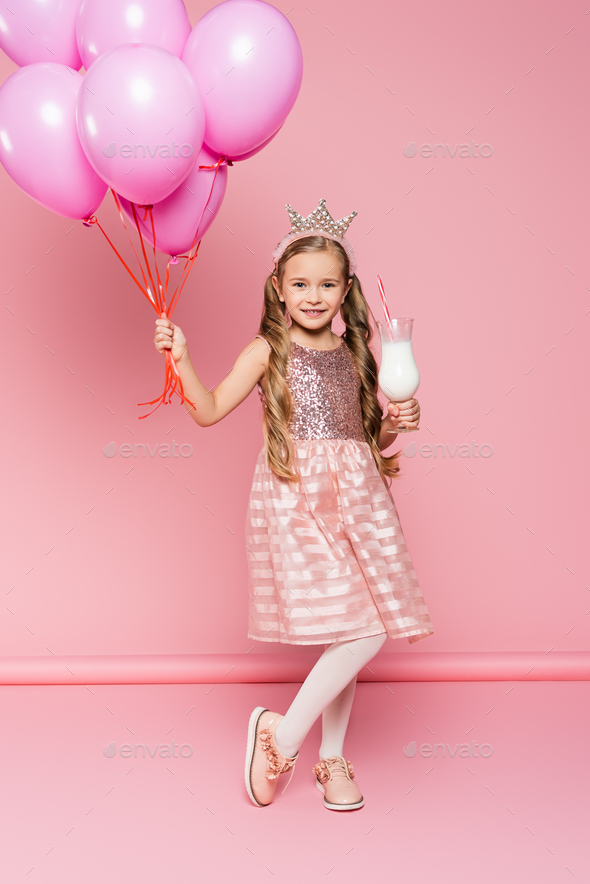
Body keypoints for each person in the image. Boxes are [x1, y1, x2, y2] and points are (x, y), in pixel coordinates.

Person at [153, 198, 434, 813]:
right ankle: (280, 738)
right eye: (300, 283)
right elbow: (206, 411)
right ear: (278, 287)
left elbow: (367, 439)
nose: (313, 295)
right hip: (297, 499)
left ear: (346, 290)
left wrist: (396, 425)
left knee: (353, 626)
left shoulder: (360, 354)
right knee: (361, 629)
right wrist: (182, 359)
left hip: (357, 499)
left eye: (327, 284)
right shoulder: (267, 351)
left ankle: (328, 758)